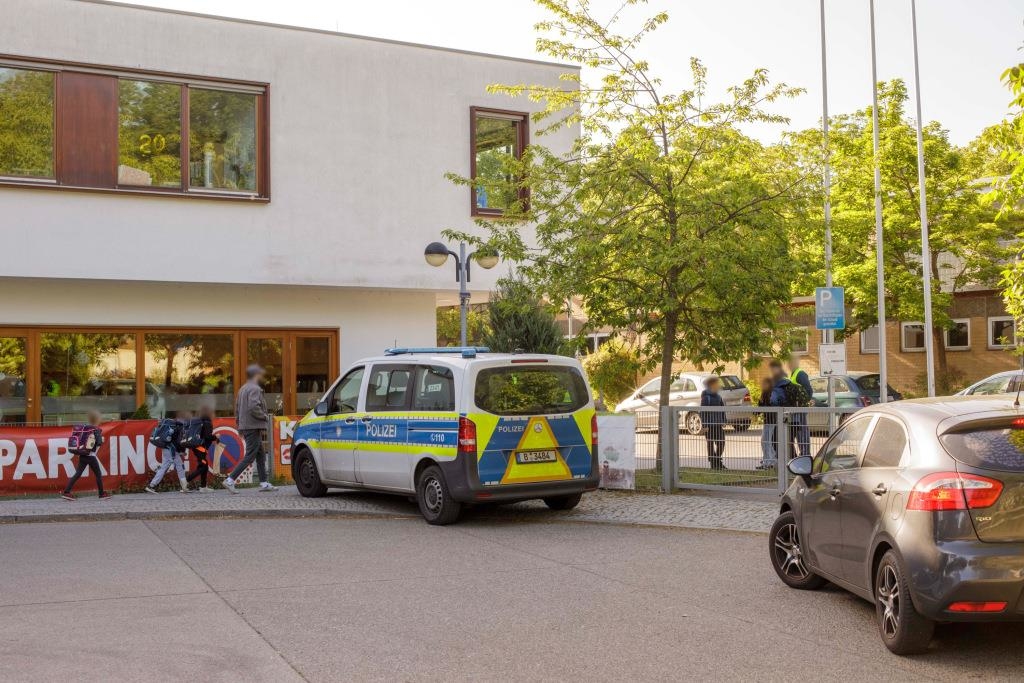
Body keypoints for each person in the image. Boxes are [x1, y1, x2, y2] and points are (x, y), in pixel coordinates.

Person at [223, 364, 277, 493]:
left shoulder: (243, 389)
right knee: (250, 456)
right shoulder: (255, 389)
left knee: (260, 455)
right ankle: (230, 480)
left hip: (247, 426)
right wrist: (264, 416)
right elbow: (253, 407)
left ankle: (264, 483)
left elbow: (237, 409)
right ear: (257, 375)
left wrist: (239, 425)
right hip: (253, 426)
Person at [61, 410, 112, 501]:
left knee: (77, 474)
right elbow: (99, 443)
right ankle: (101, 494)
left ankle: (66, 492)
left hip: (83, 455)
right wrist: (100, 440)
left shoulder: (86, 428)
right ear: (97, 420)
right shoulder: (96, 429)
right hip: (90, 456)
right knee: (98, 474)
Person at [145, 411, 190, 494]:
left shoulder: (166, 423)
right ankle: (151, 485)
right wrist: (182, 451)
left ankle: (184, 487)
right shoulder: (178, 426)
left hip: (166, 448)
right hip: (170, 449)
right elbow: (178, 441)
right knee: (166, 467)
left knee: (178, 465)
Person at [185, 405, 219, 492]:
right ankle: (186, 481)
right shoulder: (207, 422)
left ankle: (203, 487)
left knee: (204, 465)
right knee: (203, 466)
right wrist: (216, 437)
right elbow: (207, 436)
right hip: (201, 447)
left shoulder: (200, 420)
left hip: (196, 446)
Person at [788, 355, 814, 458]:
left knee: (801, 432)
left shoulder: (800, 374)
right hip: (796, 409)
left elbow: (809, 390)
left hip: (800, 409)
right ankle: (802, 454)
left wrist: (803, 403)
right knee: (798, 432)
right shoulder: (794, 374)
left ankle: (805, 454)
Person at [700, 376, 727, 471]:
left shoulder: (719, 396)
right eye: (716, 383)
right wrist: (705, 425)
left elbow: (723, 409)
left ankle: (716, 460)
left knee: (721, 443)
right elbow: (703, 412)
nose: (718, 385)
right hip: (710, 426)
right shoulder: (706, 397)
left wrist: (724, 421)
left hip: (718, 424)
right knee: (710, 444)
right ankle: (714, 464)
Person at [756, 377, 778, 470]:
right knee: (765, 441)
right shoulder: (764, 394)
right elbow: (760, 406)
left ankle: (768, 462)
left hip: (771, 420)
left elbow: (771, 406)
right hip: (767, 420)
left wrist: (762, 405)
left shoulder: (772, 394)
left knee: (766, 441)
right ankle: (771, 460)